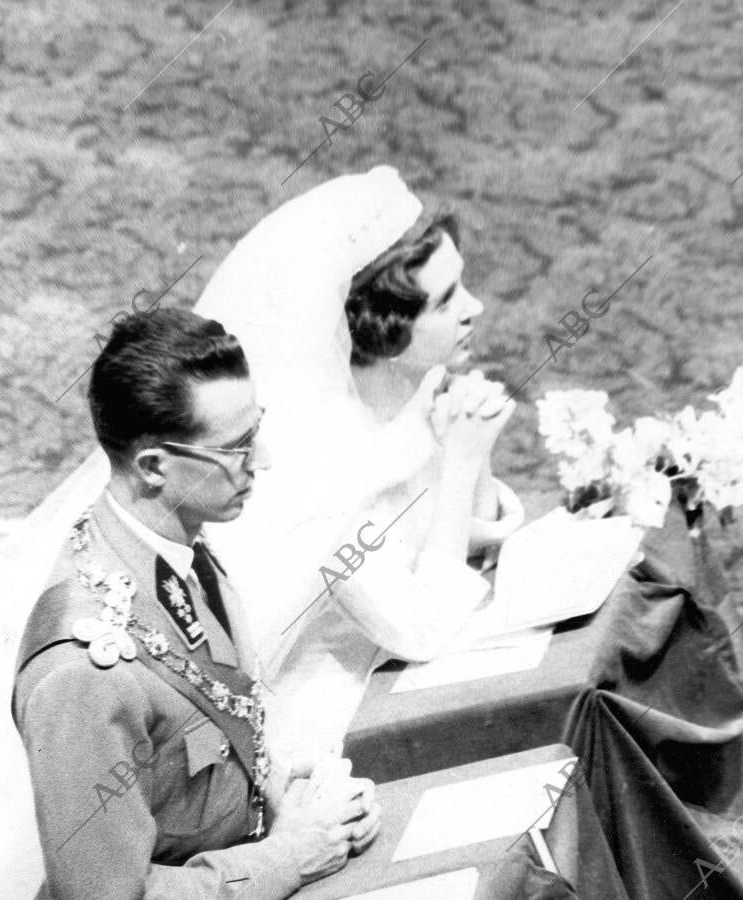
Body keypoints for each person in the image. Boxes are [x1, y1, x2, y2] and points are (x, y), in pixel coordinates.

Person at [12, 308, 381, 899]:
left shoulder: (174, 551)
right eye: (236, 448)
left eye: (255, 430)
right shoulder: (81, 674)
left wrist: (295, 799)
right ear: (155, 467)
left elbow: (197, 755)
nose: (263, 461)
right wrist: (288, 857)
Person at [194, 167, 525, 773]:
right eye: (448, 299)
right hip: (313, 701)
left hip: (401, 631)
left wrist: (467, 454)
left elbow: (453, 541)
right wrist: (461, 462)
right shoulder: (323, 453)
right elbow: (419, 629)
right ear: (383, 324)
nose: (475, 308)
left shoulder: (402, 387)